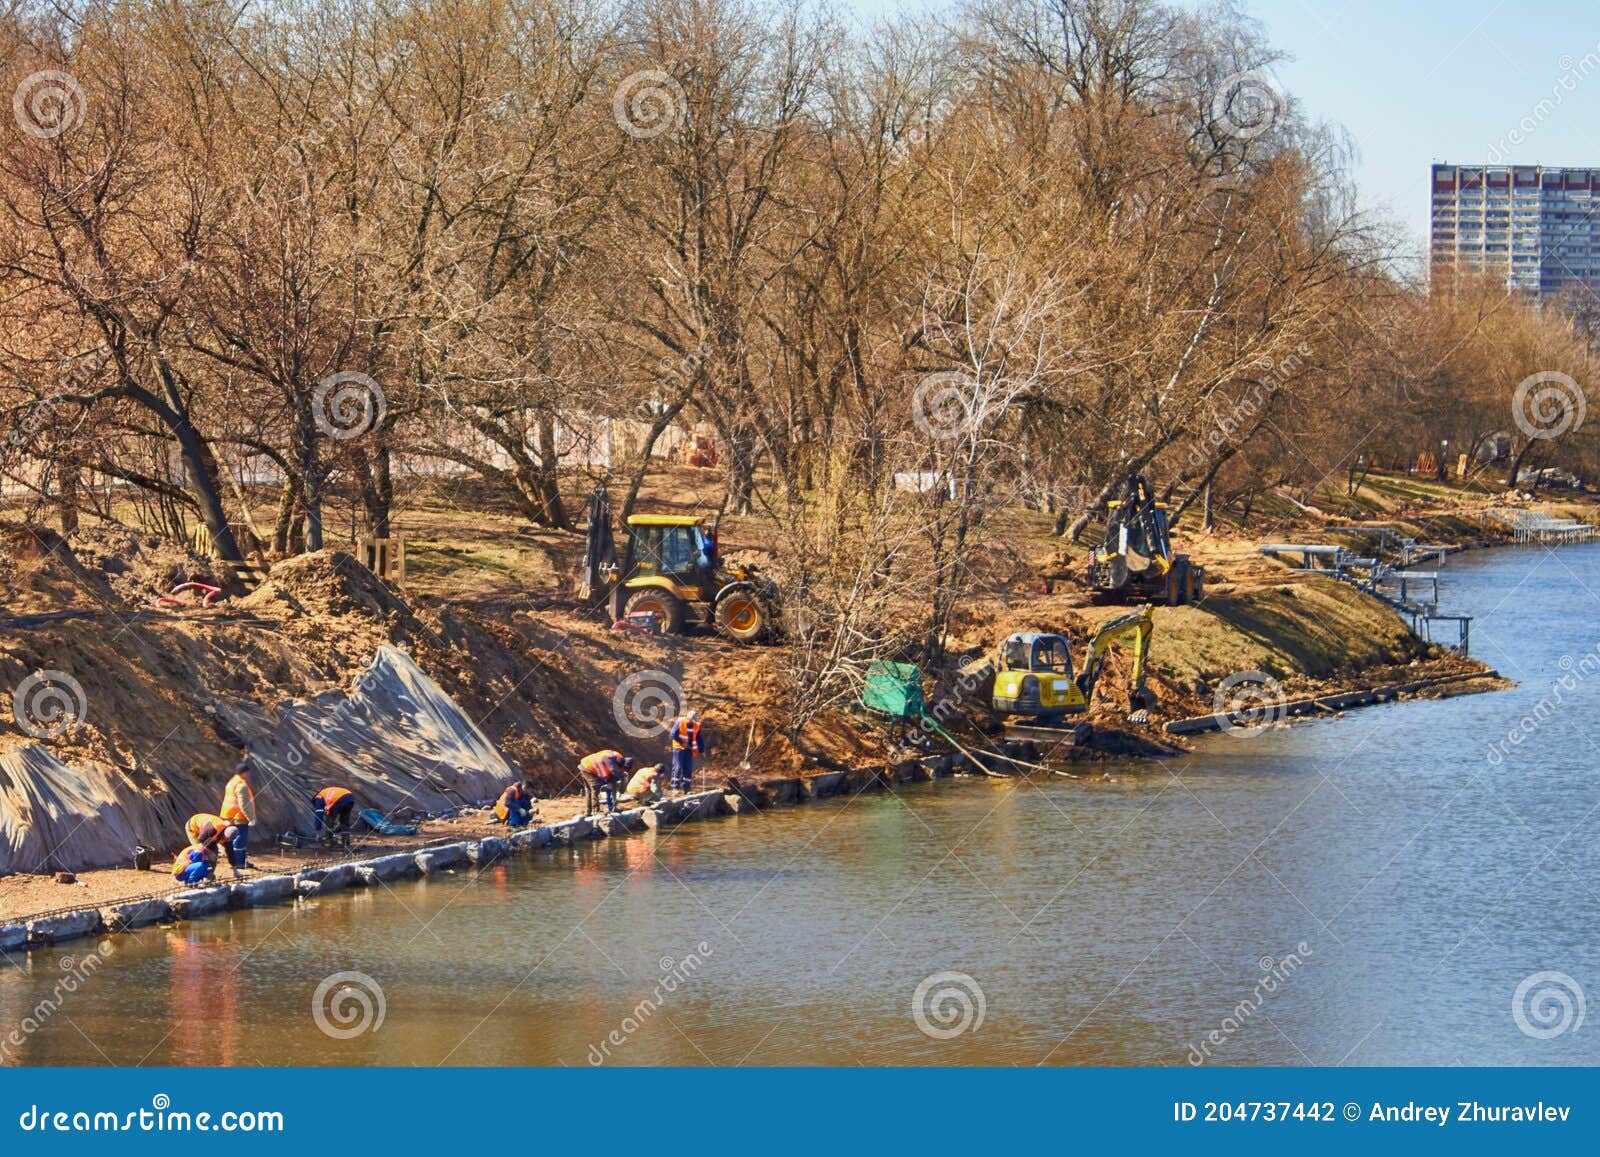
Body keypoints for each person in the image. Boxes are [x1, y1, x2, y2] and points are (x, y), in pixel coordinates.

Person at [218, 760, 256, 871]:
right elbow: (244, 804)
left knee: (232, 839)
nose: (248, 774)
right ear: (244, 772)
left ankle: (238, 861)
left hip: (229, 816)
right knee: (240, 840)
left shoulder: (231, 782)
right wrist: (251, 818)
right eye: (247, 772)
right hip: (238, 818)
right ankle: (239, 862)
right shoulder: (241, 785)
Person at [578, 750, 632, 816]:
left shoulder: (617, 759)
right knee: (595, 788)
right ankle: (595, 811)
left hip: (589, 767)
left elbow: (612, 775)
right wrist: (621, 777)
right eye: (623, 769)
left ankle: (609, 808)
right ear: (622, 765)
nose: (622, 771)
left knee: (590, 790)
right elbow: (613, 771)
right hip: (588, 768)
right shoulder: (611, 758)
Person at [667, 710, 706, 795]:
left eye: (693, 721)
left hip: (689, 749)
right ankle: (675, 788)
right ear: (688, 718)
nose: (691, 722)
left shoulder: (696, 725)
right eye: (691, 720)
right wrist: (682, 742)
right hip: (679, 748)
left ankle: (687, 788)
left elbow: (699, 739)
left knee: (688, 768)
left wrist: (702, 750)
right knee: (678, 767)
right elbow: (673, 734)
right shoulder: (680, 721)